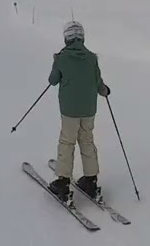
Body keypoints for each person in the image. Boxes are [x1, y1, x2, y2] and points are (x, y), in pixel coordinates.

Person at [46, 20, 110, 205]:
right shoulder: (91, 58)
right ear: (82, 37)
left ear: (66, 37)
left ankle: (63, 183)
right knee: (87, 140)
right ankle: (91, 180)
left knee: (67, 142)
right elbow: (99, 84)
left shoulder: (62, 58)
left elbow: (53, 80)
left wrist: (56, 63)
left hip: (70, 111)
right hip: (89, 109)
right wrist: (105, 91)